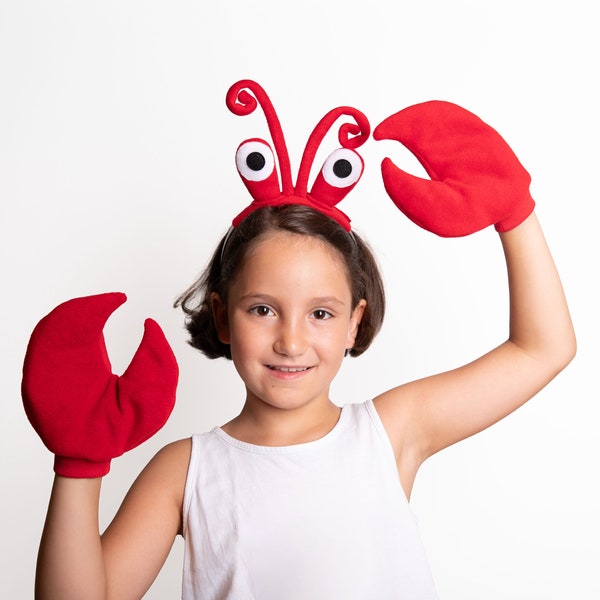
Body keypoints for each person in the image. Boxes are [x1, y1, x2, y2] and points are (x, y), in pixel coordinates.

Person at [23, 81, 576, 599]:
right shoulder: (186, 469)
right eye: (262, 309)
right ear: (221, 317)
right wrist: (78, 463)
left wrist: (514, 211)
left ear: (355, 322)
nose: (291, 341)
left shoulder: (393, 432)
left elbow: (543, 349)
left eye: (320, 313)